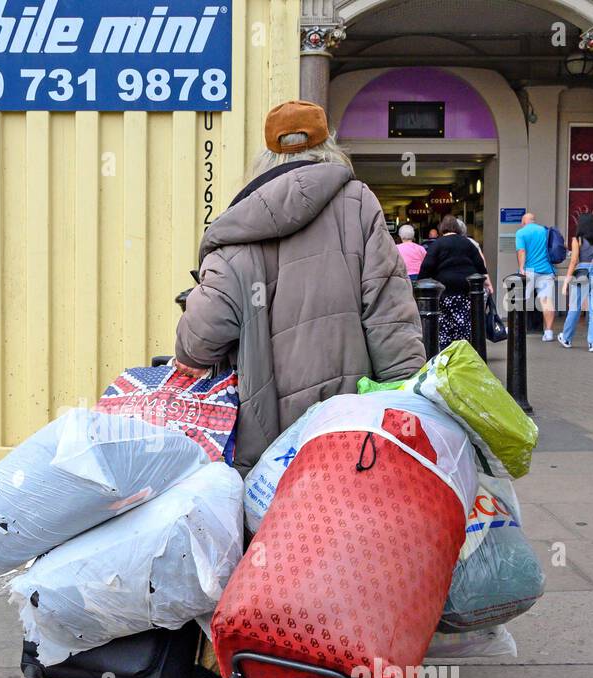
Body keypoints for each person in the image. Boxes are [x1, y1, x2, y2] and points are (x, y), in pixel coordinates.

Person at [173, 100, 426, 475]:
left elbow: (200, 340)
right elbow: (390, 320)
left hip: (264, 444)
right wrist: (407, 409)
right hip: (348, 432)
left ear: (267, 155)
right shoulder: (358, 203)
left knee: (273, 529)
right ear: (329, 147)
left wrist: (188, 349)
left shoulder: (238, 223)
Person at [418, 214, 489, 349]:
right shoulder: (467, 243)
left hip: (444, 290)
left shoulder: (437, 244)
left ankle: (446, 352)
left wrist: (422, 284)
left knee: (444, 325)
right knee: (463, 325)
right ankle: (462, 351)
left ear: (442, 229)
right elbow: (480, 266)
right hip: (465, 290)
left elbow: (427, 267)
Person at [559, 214, 593, 351]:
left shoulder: (577, 240)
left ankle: (567, 338)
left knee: (575, 306)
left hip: (581, 271)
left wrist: (566, 281)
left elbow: (574, 260)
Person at [515, 212, 558, 341]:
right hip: (546, 270)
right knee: (546, 302)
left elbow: (521, 251)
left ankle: (516, 328)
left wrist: (521, 268)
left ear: (523, 222)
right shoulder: (545, 231)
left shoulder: (521, 233)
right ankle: (549, 332)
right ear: (533, 221)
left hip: (529, 270)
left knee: (521, 300)